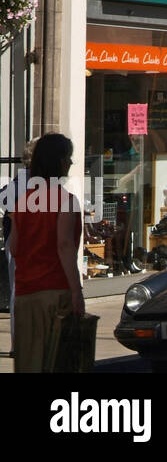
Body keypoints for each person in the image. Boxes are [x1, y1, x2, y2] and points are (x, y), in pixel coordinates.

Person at [9, 133, 84, 372]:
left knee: (29, 364)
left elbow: (13, 247)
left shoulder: (23, 202)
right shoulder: (66, 201)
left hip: (25, 295)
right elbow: (64, 246)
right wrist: (76, 291)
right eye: (67, 157)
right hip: (55, 292)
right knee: (58, 363)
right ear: (58, 161)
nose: (70, 162)